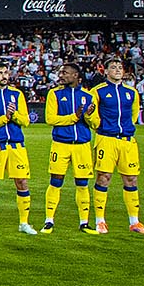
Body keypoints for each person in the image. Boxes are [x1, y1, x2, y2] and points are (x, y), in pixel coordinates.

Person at [89, 58, 144, 234]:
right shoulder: (98, 91)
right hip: (106, 139)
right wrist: (101, 126)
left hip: (127, 141)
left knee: (131, 179)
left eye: (119, 67)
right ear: (105, 72)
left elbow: (133, 114)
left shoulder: (131, 92)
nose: (117, 70)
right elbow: (92, 114)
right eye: (113, 67)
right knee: (103, 177)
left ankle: (135, 222)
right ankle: (100, 221)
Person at [0, 63, 36, 235]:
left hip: (17, 145)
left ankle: (24, 223)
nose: (4, 76)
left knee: (22, 182)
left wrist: (14, 115)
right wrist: (4, 118)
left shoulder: (17, 95)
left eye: (5, 72)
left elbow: (25, 121)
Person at [41, 62, 98, 234]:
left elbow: (96, 123)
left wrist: (87, 116)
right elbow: (51, 119)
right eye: (61, 72)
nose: (61, 75)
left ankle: (84, 223)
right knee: (55, 181)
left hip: (82, 146)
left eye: (65, 73)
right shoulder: (55, 94)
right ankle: (49, 221)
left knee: (82, 183)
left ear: (75, 76)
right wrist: (74, 117)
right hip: (61, 144)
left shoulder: (88, 96)